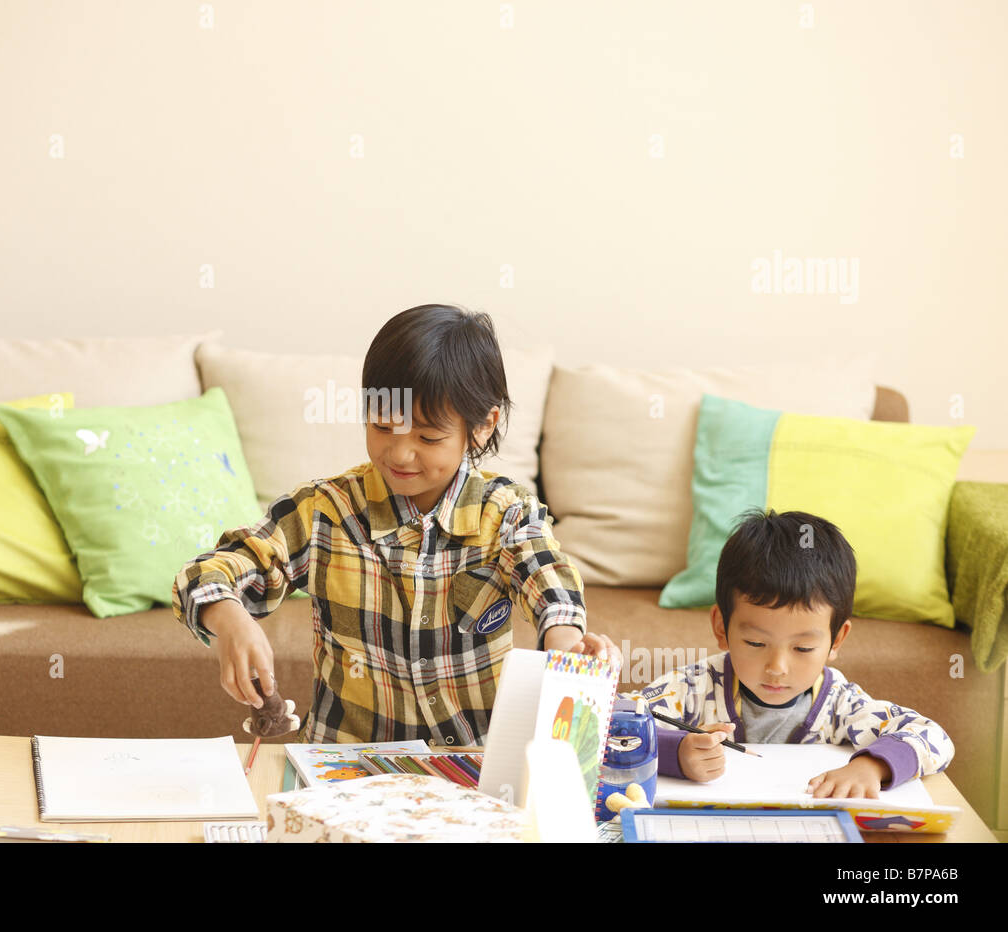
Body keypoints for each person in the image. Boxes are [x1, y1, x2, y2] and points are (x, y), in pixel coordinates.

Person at [171, 304, 615, 745]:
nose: (400, 454)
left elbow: (549, 578)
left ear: (482, 426)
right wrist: (230, 620)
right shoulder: (324, 512)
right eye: (383, 426)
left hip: (471, 768)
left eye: (428, 437)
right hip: (346, 769)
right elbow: (206, 573)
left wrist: (566, 644)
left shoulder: (505, 513)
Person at [632, 508, 954, 799]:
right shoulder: (695, 688)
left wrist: (872, 766)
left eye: (803, 648)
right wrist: (678, 754)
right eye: (756, 644)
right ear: (721, 628)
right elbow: (615, 723)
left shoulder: (839, 704)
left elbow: (935, 738)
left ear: (836, 640)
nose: (777, 667)